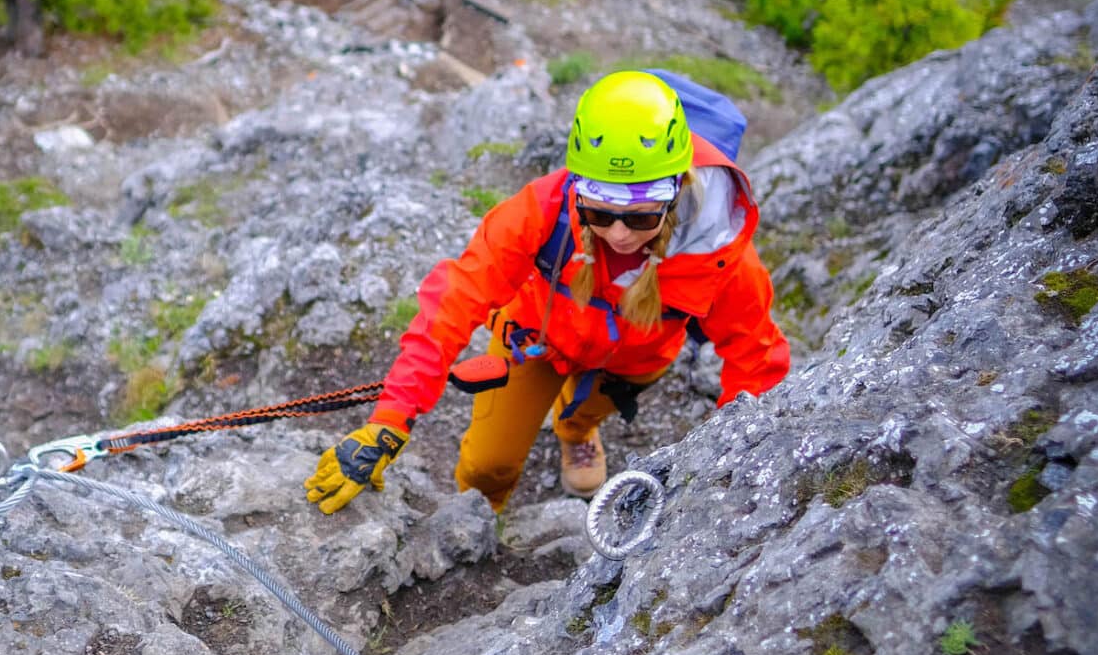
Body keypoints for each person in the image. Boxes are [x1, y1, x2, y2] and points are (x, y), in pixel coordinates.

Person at [305, 70, 789, 518]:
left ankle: (575, 430)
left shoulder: (718, 249)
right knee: (483, 470)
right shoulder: (544, 208)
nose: (619, 235)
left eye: (641, 217)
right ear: (579, 191)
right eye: (601, 214)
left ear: (676, 191)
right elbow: (456, 298)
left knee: (582, 413)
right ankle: (483, 520)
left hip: (634, 362)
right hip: (536, 340)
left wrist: (730, 463)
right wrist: (393, 416)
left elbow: (755, 357)